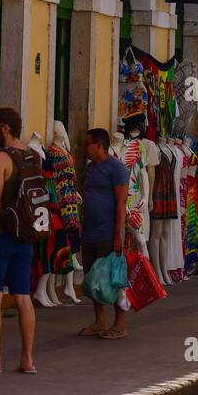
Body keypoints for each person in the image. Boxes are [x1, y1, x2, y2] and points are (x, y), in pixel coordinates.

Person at [0, 107, 38, 374]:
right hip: (26, 234)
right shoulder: (33, 155)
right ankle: (27, 359)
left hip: (2, 234)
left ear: (6, 128)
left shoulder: (0, 158)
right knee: (23, 297)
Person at [77, 127, 131, 340]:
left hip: (109, 233)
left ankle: (120, 323)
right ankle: (100, 320)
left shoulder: (116, 168)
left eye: (87, 144)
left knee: (116, 279)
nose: (84, 148)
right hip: (90, 231)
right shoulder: (90, 169)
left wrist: (118, 234)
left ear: (99, 144)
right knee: (93, 278)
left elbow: (121, 202)